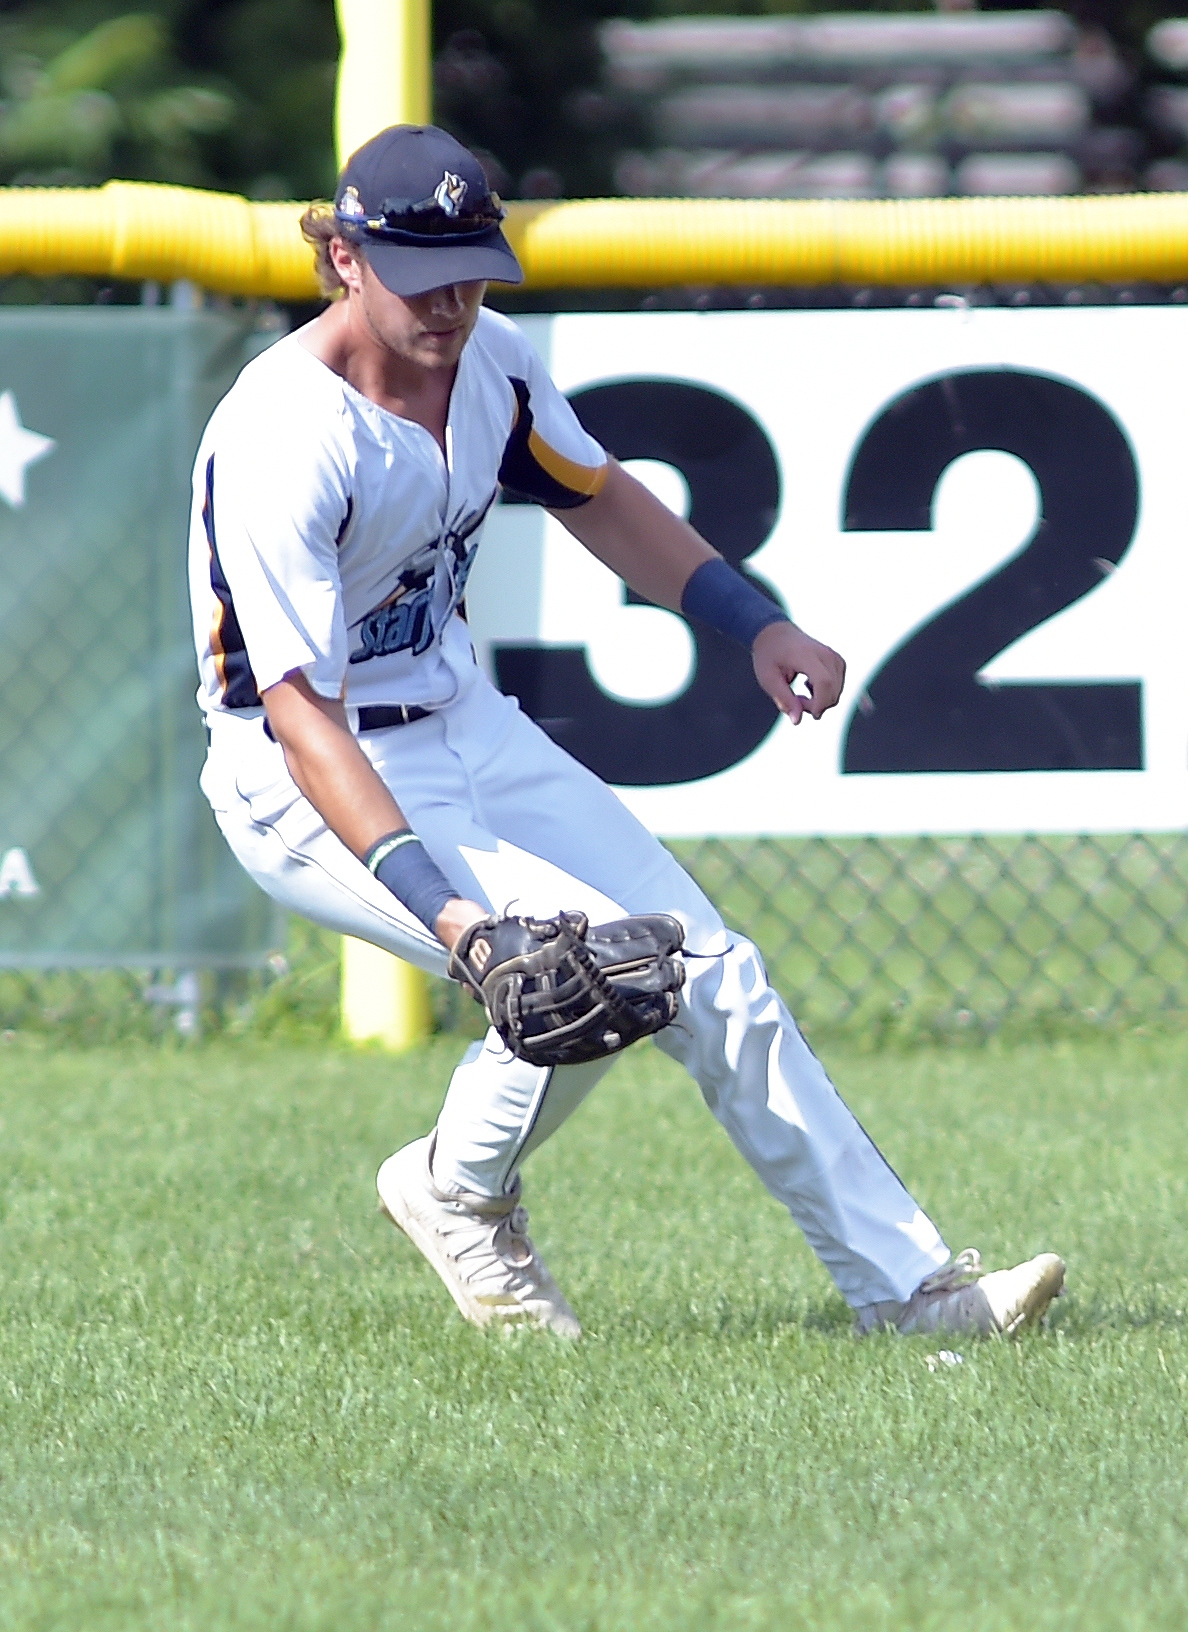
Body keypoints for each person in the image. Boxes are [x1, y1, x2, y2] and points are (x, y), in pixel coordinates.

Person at [189, 124, 1065, 1341]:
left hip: (460, 722)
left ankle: (912, 1297)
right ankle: (458, 1189)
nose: (452, 298)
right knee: (583, 966)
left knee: (711, 971)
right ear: (342, 256)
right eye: (418, 268)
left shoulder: (486, 359)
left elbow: (595, 493)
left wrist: (751, 621)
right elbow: (296, 710)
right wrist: (459, 922)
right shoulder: (288, 431)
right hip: (303, 775)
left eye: (473, 264)